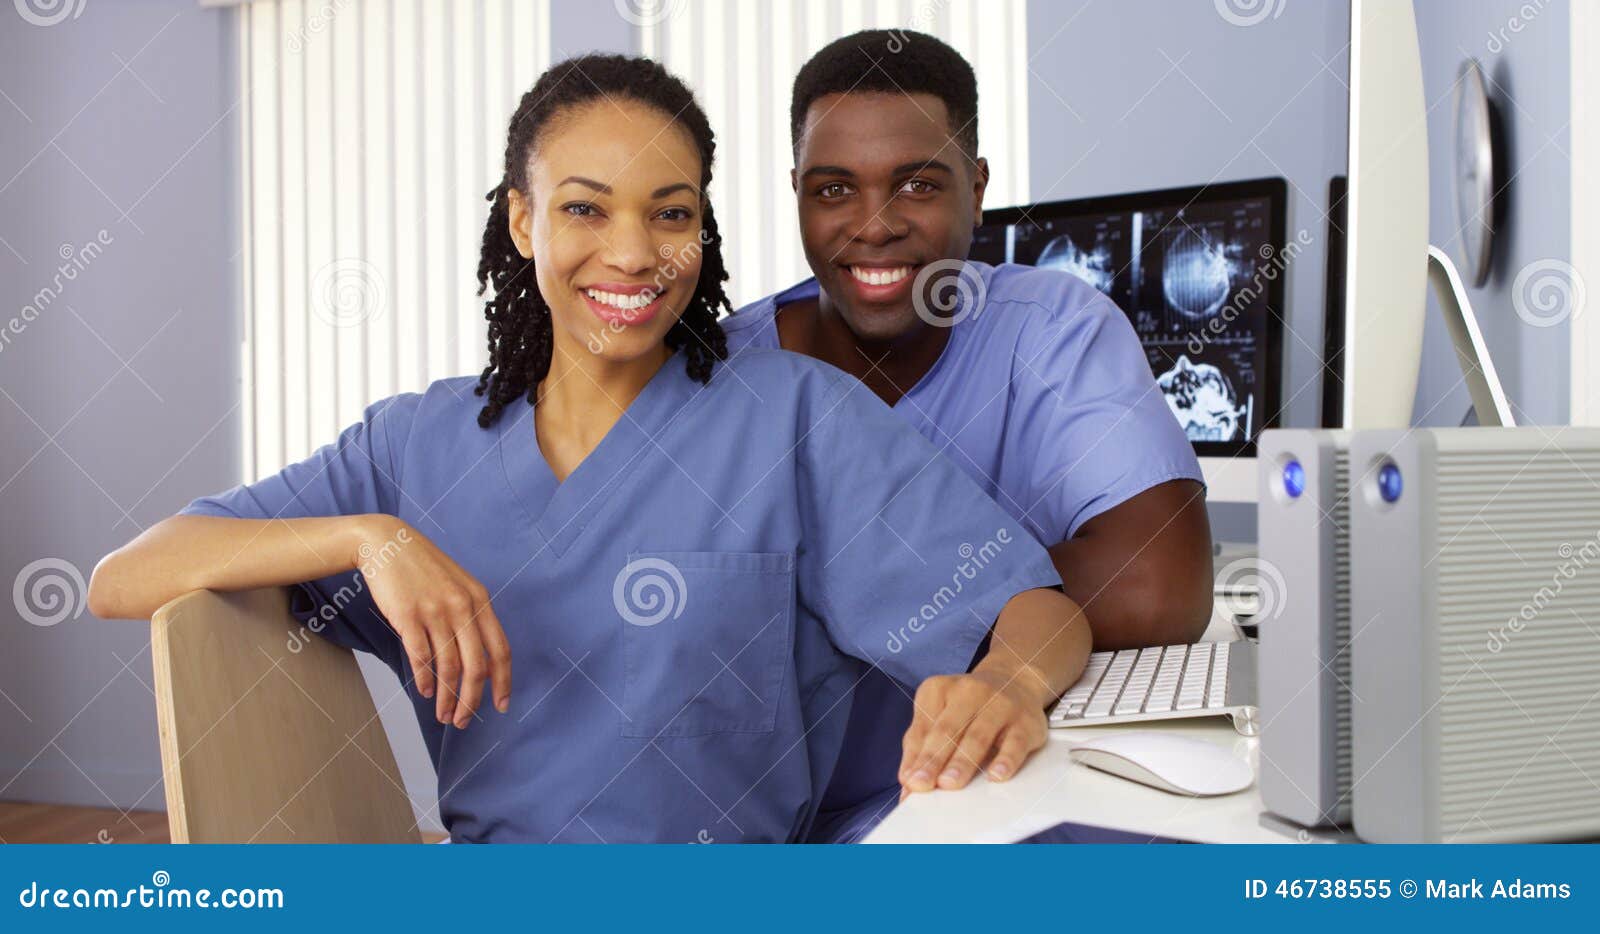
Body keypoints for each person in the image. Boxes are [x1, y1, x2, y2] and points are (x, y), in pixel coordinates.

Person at [88, 55, 1090, 844]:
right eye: (584, 207)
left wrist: (1004, 683)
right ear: (522, 220)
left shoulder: (795, 418)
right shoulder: (413, 448)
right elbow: (125, 575)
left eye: (671, 212)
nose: (631, 252)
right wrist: (371, 540)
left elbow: (1035, 608)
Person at [720, 30, 1214, 833]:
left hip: (981, 792)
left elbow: (1159, 588)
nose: (872, 227)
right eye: (834, 189)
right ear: (798, 193)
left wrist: (860, 601)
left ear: (976, 188)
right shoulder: (721, 376)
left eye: (916, 185)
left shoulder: (1049, 330)